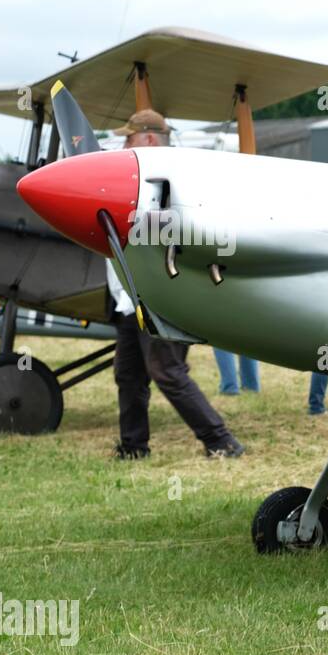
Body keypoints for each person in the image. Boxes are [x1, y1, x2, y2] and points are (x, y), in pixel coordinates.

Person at [107, 110, 245, 460]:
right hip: (131, 298)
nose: (124, 143)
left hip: (160, 293)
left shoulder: (172, 179)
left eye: (130, 136)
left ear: (149, 139)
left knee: (167, 372)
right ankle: (134, 447)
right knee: (128, 374)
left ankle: (221, 441)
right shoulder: (143, 177)